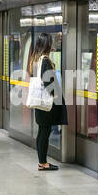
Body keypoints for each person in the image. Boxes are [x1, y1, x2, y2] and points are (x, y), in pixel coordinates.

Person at [26, 33, 68, 171]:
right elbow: (47, 78)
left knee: (42, 130)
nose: (52, 45)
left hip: (40, 101)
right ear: (47, 44)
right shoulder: (44, 60)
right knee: (45, 131)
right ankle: (43, 163)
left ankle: (42, 161)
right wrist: (54, 94)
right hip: (46, 103)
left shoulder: (35, 59)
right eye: (51, 43)